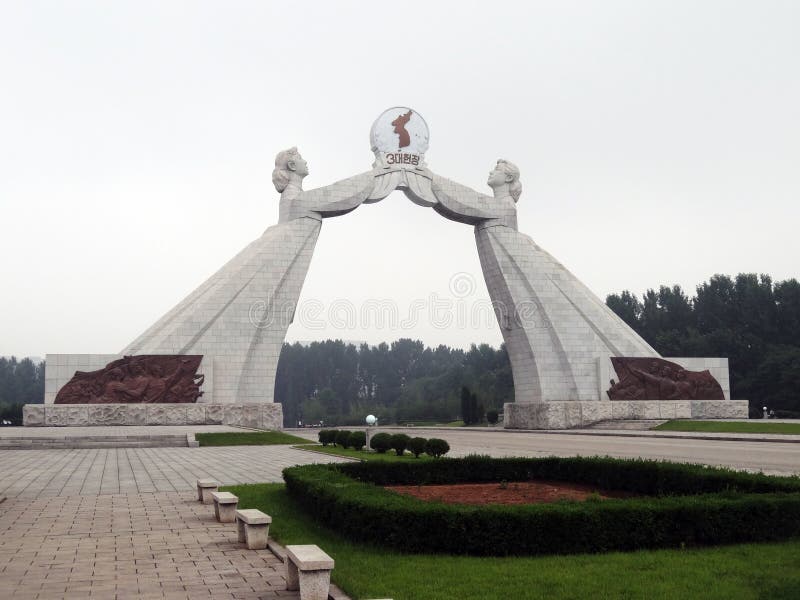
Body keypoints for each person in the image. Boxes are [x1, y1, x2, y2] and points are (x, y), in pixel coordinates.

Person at [426, 160, 659, 403]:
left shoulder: (504, 208)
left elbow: (464, 200)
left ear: (507, 178)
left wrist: (428, 177)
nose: (489, 172)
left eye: (496, 170)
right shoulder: (496, 207)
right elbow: (465, 200)